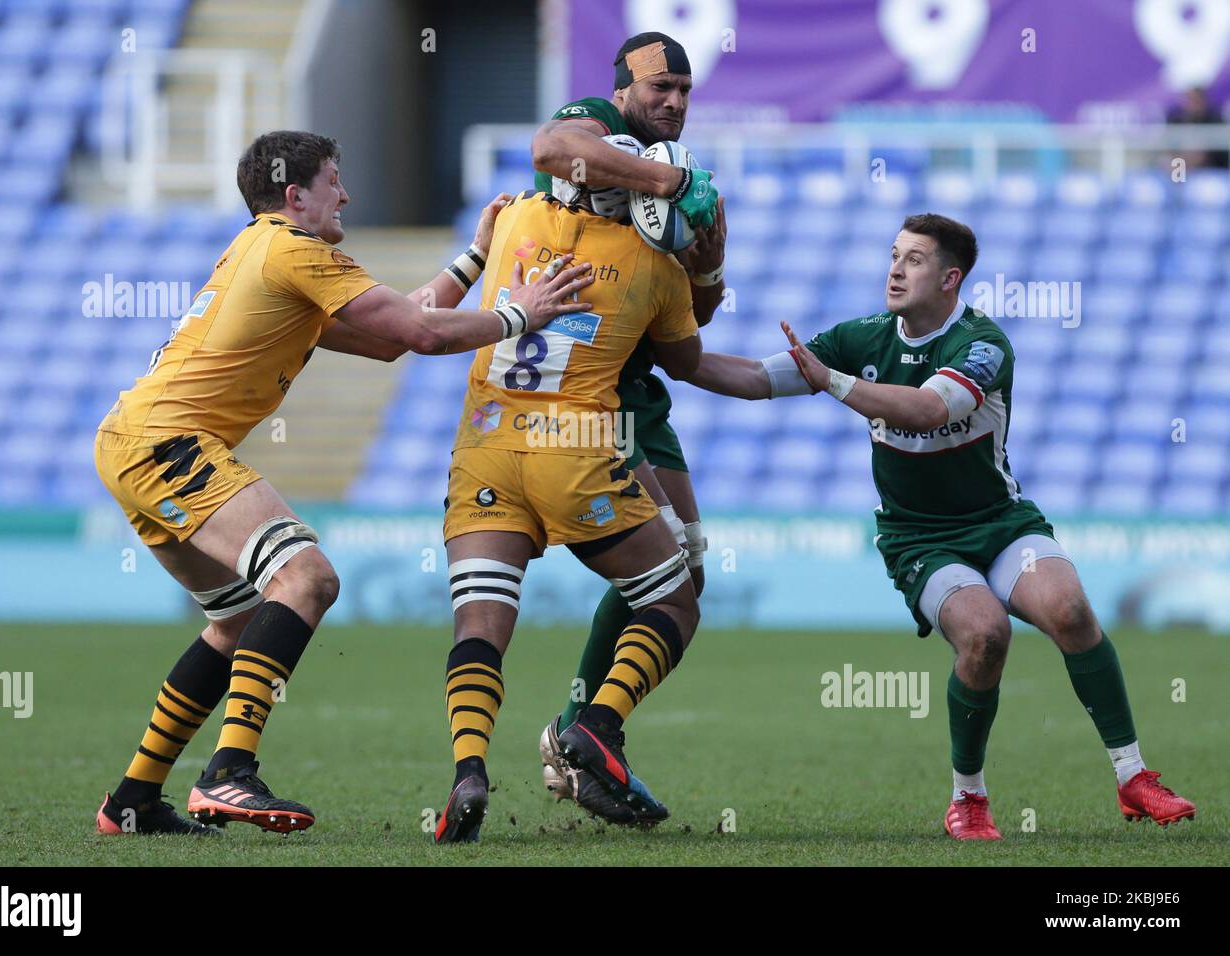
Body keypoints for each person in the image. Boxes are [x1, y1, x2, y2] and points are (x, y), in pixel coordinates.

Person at [92, 130, 593, 835]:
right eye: (334, 179)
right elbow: (421, 333)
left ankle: (132, 800)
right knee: (307, 579)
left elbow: (393, 335)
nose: (346, 194)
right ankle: (229, 772)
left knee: (237, 623)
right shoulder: (295, 252)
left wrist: (477, 257)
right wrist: (521, 313)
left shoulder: (265, 251)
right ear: (295, 194)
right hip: (165, 443)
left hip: (134, 439)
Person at [688, 213, 1197, 839]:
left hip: (1001, 523)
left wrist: (835, 384)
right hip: (919, 538)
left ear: (950, 278)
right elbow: (757, 378)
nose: (896, 269)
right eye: (894, 255)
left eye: (915, 260)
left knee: (1069, 609)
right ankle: (969, 797)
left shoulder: (984, 346)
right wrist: (670, 354)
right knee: (984, 636)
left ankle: (1133, 777)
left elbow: (931, 410)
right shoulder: (862, 337)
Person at [433, 188, 703, 842]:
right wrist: (701, 266)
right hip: (573, 450)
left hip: (485, 445)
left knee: (480, 624)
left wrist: (476, 246)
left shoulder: (514, 219)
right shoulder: (656, 266)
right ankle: (597, 723)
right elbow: (687, 361)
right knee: (675, 598)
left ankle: (469, 770)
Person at [529, 30, 726, 820]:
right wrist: (668, 179)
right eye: (659, 90)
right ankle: (586, 733)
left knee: (691, 571)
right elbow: (551, 148)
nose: (673, 103)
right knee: (661, 572)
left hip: (641, 387)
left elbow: (697, 319)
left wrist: (711, 252)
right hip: (583, 382)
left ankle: (583, 731)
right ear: (623, 91)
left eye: (684, 92)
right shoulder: (590, 124)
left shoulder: (679, 172)